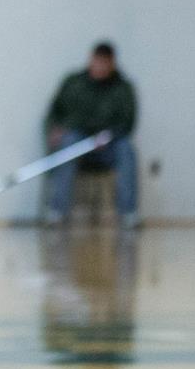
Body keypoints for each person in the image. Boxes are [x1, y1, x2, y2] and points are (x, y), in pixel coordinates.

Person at [42, 41, 139, 229]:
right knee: (67, 145)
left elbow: (128, 123)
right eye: (97, 61)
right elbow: (54, 113)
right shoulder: (74, 83)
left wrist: (108, 136)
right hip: (77, 142)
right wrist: (53, 130)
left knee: (127, 150)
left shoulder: (123, 88)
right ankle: (57, 212)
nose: (100, 67)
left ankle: (128, 213)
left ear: (112, 64)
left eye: (105, 63)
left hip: (107, 145)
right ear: (91, 60)